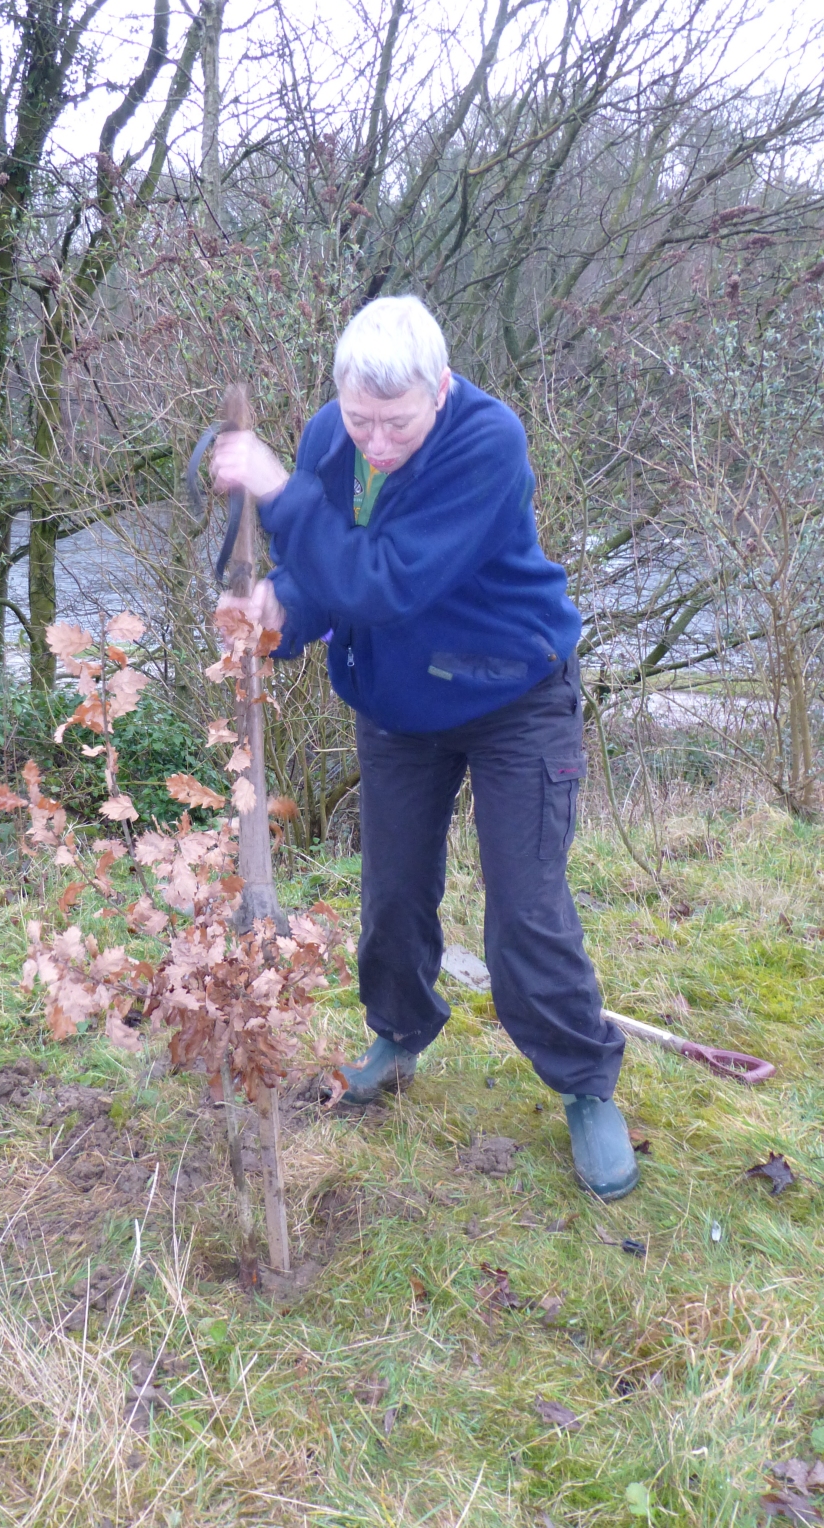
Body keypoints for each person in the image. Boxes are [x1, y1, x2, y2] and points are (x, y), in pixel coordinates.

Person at [210, 294, 638, 1202]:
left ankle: (585, 1082)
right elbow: (329, 573)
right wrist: (278, 612)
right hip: (400, 702)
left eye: (395, 422)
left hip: (513, 694)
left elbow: (389, 579)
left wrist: (282, 494)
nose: (374, 441)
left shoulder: (488, 443)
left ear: (439, 391)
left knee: (524, 911)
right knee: (394, 896)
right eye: (358, 418)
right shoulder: (332, 437)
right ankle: (398, 1037)